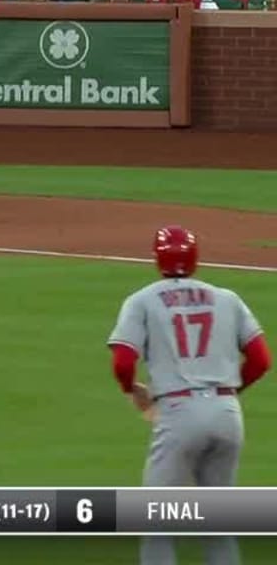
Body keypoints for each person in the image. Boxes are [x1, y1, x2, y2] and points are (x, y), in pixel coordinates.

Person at [108, 225, 269, 565]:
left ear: (157, 259)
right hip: (228, 414)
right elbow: (261, 359)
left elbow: (123, 362)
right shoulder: (227, 298)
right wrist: (227, 391)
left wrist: (132, 390)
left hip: (179, 413)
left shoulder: (142, 300)